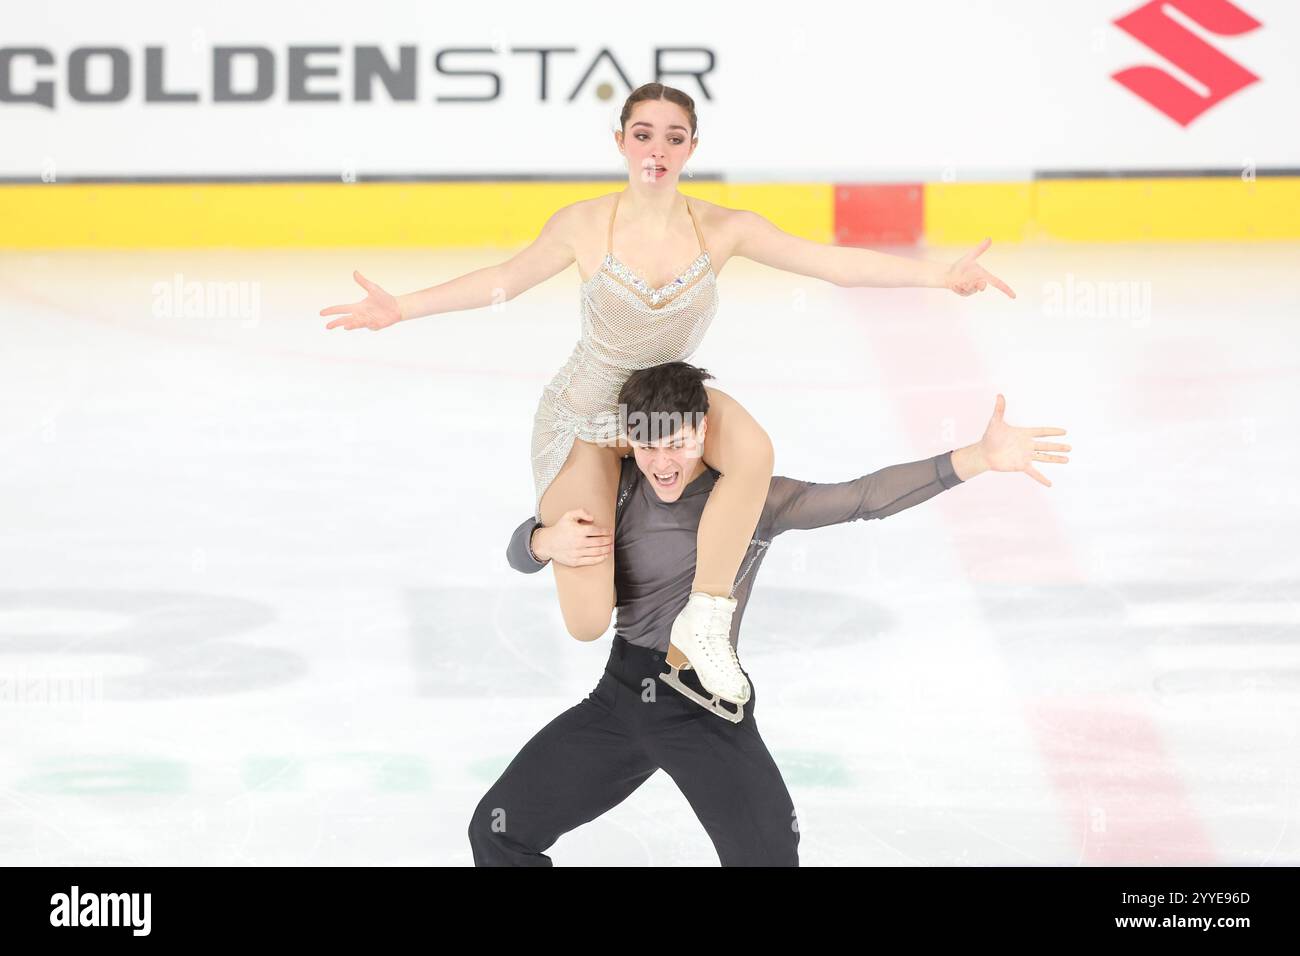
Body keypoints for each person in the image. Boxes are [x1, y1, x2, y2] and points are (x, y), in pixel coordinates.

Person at [319, 82, 1016, 713]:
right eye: (643, 134)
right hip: (588, 417)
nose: (657, 149)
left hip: (671, 408)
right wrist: (400, 309)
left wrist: (941, 275)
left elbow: (830, 263)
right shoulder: (583, 224)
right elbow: (504, 279)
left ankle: (706, 615)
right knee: (588, 621)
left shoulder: (725, 228)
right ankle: (549, 536)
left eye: (673, 137)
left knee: (755, 450)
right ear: (621, 140)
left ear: (691, 148)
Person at [467, 361, 1070, 865]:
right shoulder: (617, 488)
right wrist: (541, 542)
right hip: (620, 698)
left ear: (702, 433)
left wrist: (977, 457)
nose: (662, 461)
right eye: (647, 444)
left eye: (676, 442)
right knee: (497, 830)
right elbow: (521, 555)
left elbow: (863, 498)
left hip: (701, 704)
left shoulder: (756, 500)